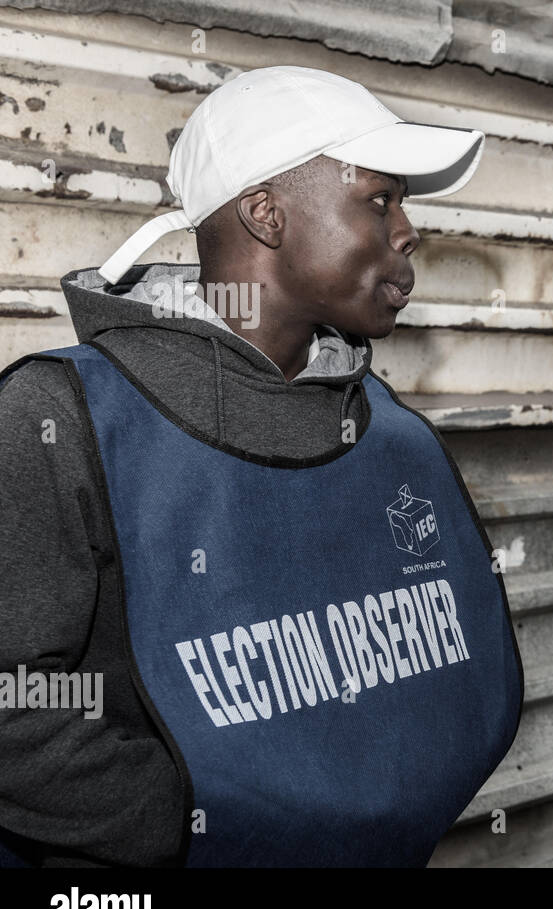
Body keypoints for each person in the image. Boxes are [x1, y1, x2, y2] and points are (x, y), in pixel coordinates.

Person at [0, 65, 523, 867]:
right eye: (379, 199)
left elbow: (456, 666)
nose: (409, 229)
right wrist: (190, 814)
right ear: (266, 215)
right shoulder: (59, 416)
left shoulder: (390, 432)